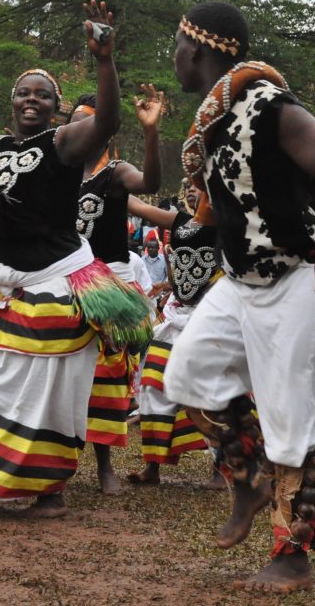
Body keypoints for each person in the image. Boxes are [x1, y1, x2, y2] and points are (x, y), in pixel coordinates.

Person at [0, 0, 148, 518]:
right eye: (23, 92)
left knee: (43, 393)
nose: (31, 99)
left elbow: (107, 122)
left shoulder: (62, 144)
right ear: (12, 101)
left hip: (53, 284)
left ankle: (50, 492)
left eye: (42, 94)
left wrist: (104, 61)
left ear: (56, 108)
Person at [160, 1, 315, 593]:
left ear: (196, 49)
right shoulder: (215, 122)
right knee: (187, 374)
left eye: (177, 47)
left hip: (303, 277)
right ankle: (249, 478)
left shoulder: (270, 106)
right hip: (243, 281)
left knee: (292, 422)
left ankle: (292, 555)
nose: (174, 58)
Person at [71, 86, 161, 495]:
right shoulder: (61, 173)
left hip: (109, 285)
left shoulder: (116, 173)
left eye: (86, 125)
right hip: (65, 279)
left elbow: (150, 183)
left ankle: (105, 468)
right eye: (72, 126)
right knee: (61, 370)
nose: (77, 132)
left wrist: (151, 132)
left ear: (103, 131)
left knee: (106, 375)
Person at [126, 183, 223, 488]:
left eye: (199, 186)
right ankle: (153, 466)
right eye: (188, 186)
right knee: (153, 386)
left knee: (213, 392)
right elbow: (139, 207)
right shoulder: (180, 221)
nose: (192, 191)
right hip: (176, 316)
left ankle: (223, 469)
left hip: (212, 317)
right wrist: (104, 178)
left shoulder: (228, 223)